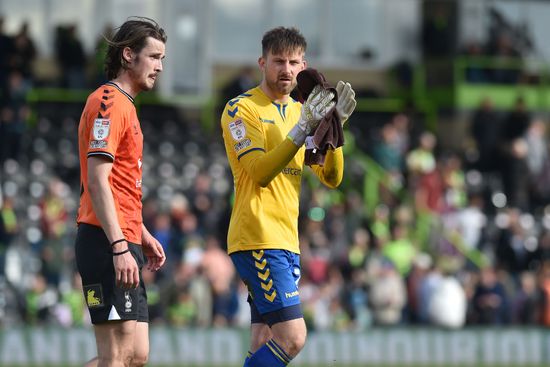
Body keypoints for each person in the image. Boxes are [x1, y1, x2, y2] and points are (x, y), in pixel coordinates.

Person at [220, 26, 356, 367]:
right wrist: (301, 129)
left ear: (304, 64)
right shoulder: (242, 109)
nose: (286, 69)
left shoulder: (300, 111)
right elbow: (260, 172)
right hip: (257, 235)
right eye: (278, 61)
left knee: (263, 340)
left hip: (286, 240)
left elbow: (331, 178)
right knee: (293, 337)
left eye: (294, 62)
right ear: (262, 62)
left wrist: (334, 128)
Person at [74, 17, 167, 367]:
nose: (159, 67)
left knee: (136, 355)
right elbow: (97, 180)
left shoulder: (126, 105)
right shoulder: (108, 102)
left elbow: (119, 184)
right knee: (117, 356)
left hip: (124, 239)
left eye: (162, 59)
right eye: (154, 56)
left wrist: (140, 233)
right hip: (105, 241)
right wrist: (118, 246)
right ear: (128, 55)